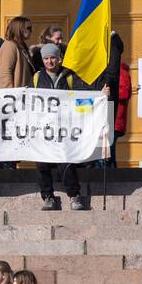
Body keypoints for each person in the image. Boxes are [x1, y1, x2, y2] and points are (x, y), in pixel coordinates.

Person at [30, 43, 91, 211]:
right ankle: (48, 197)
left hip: (65, 129)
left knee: (66, 162)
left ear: (59, 58)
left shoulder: (70, 77)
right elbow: (28, 101)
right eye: (46, 58)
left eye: (52, 58)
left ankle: (74, 196)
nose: (49, 61)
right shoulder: (36, 78)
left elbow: (83, 97)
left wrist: (100, 96)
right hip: (43, 130)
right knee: (42, 164)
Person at [0, 15, 33, 89]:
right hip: (15, 95)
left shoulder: (21, 45)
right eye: (28, 28)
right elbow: (6, 73)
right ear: (19, 28)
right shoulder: (9, 46)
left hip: (25, 93)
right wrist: (9, 95)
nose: (31, 31)